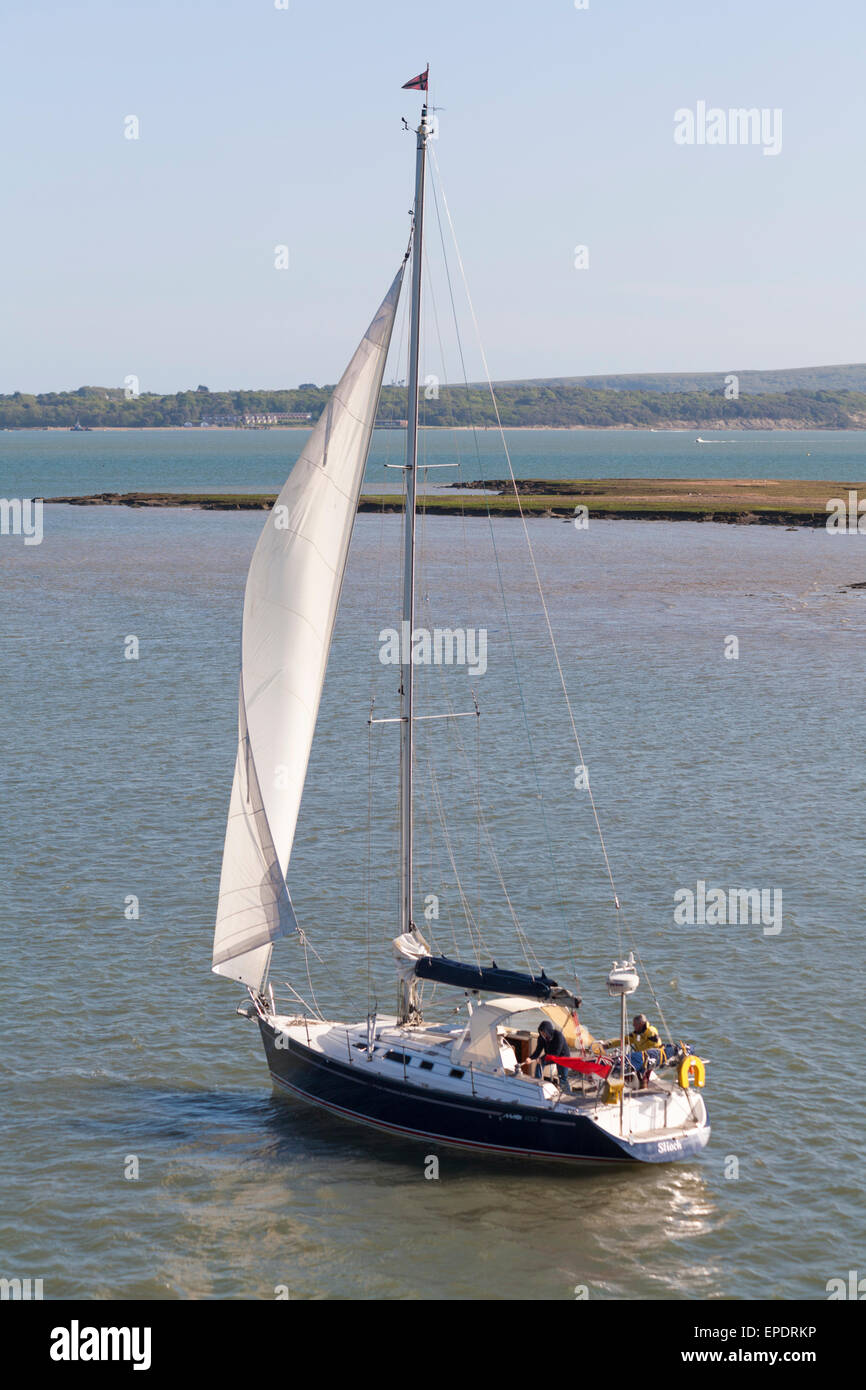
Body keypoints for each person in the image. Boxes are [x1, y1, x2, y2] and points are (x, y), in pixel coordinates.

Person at [523, 1018, 572, 1090]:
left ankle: (567, 1093)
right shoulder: (541, 1038)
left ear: (548, 1031)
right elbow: (537, 1051)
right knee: (539, 1063)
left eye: (544, 1032)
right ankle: (537, 1083)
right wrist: (530, 1058)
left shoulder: (559, 1036)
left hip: (562, 1057)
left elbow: (556, 1053)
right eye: (541, 1033)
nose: (543, 1034)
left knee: (562, 1077)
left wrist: (542, 1058)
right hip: (550, 1055)